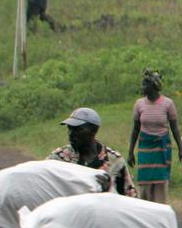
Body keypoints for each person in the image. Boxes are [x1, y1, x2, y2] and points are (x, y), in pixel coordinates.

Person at [51, 105, 138, 197]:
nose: (71, 134)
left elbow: (129, 196)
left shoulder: (114, 160)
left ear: (93, 130)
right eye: (69, 128)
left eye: (77, 129)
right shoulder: (58, 158)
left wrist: (108, 189)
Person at [129, 69, 181, 203]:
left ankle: (160, 207)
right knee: (144, 182)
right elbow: (135, 129)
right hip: (145, 147)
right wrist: (130, 152)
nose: (142, 87)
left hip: (162, 147)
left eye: (145, 85)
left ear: (153, 86)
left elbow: (175, 128)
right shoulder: (139, 104)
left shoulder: (168, 103)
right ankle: (145, 208)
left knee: (160, 182)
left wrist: (180, 148)